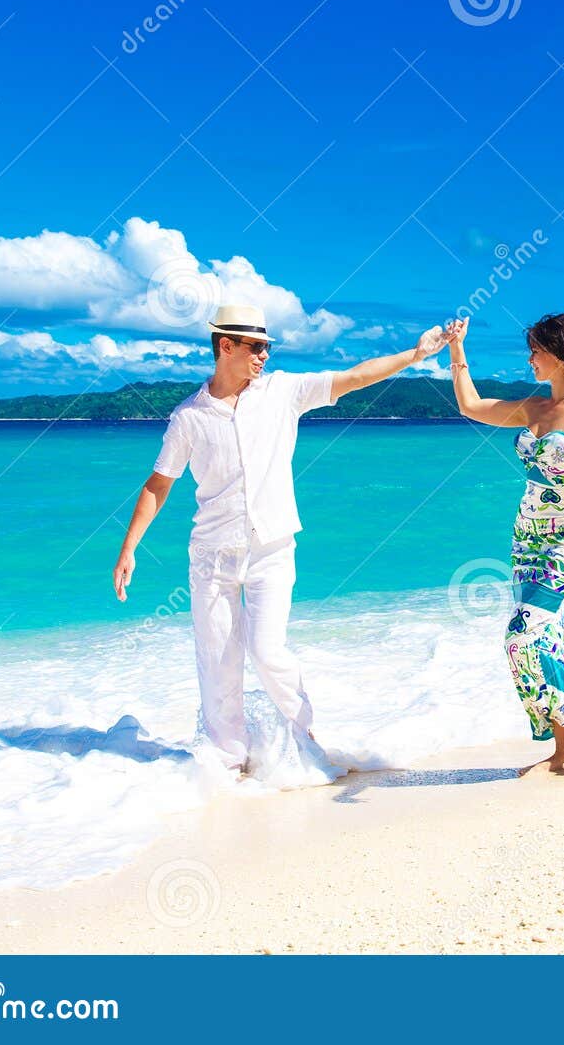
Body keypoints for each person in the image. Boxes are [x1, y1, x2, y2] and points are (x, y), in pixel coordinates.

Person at [112, 304, 447, 777]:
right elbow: (158, 484)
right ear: (225, 346)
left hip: (271, 549)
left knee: (267, 651)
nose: (264, 355)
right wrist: (129, 548)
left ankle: (303, 737)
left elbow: (354, 378)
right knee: (218, 662)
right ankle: (228, 764)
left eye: (267, 346)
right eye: (255, 347)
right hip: (211, 555)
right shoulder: (189, 416)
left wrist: (415, 354)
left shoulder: (283, 391)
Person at [443, 312, 564, 774]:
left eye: (535, 351)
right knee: (549, 637)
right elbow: (471, 405)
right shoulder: (533, 408)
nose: (529, 360)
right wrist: (456, 347)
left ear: (557, 353)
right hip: (526, 540)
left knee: (521, 635)